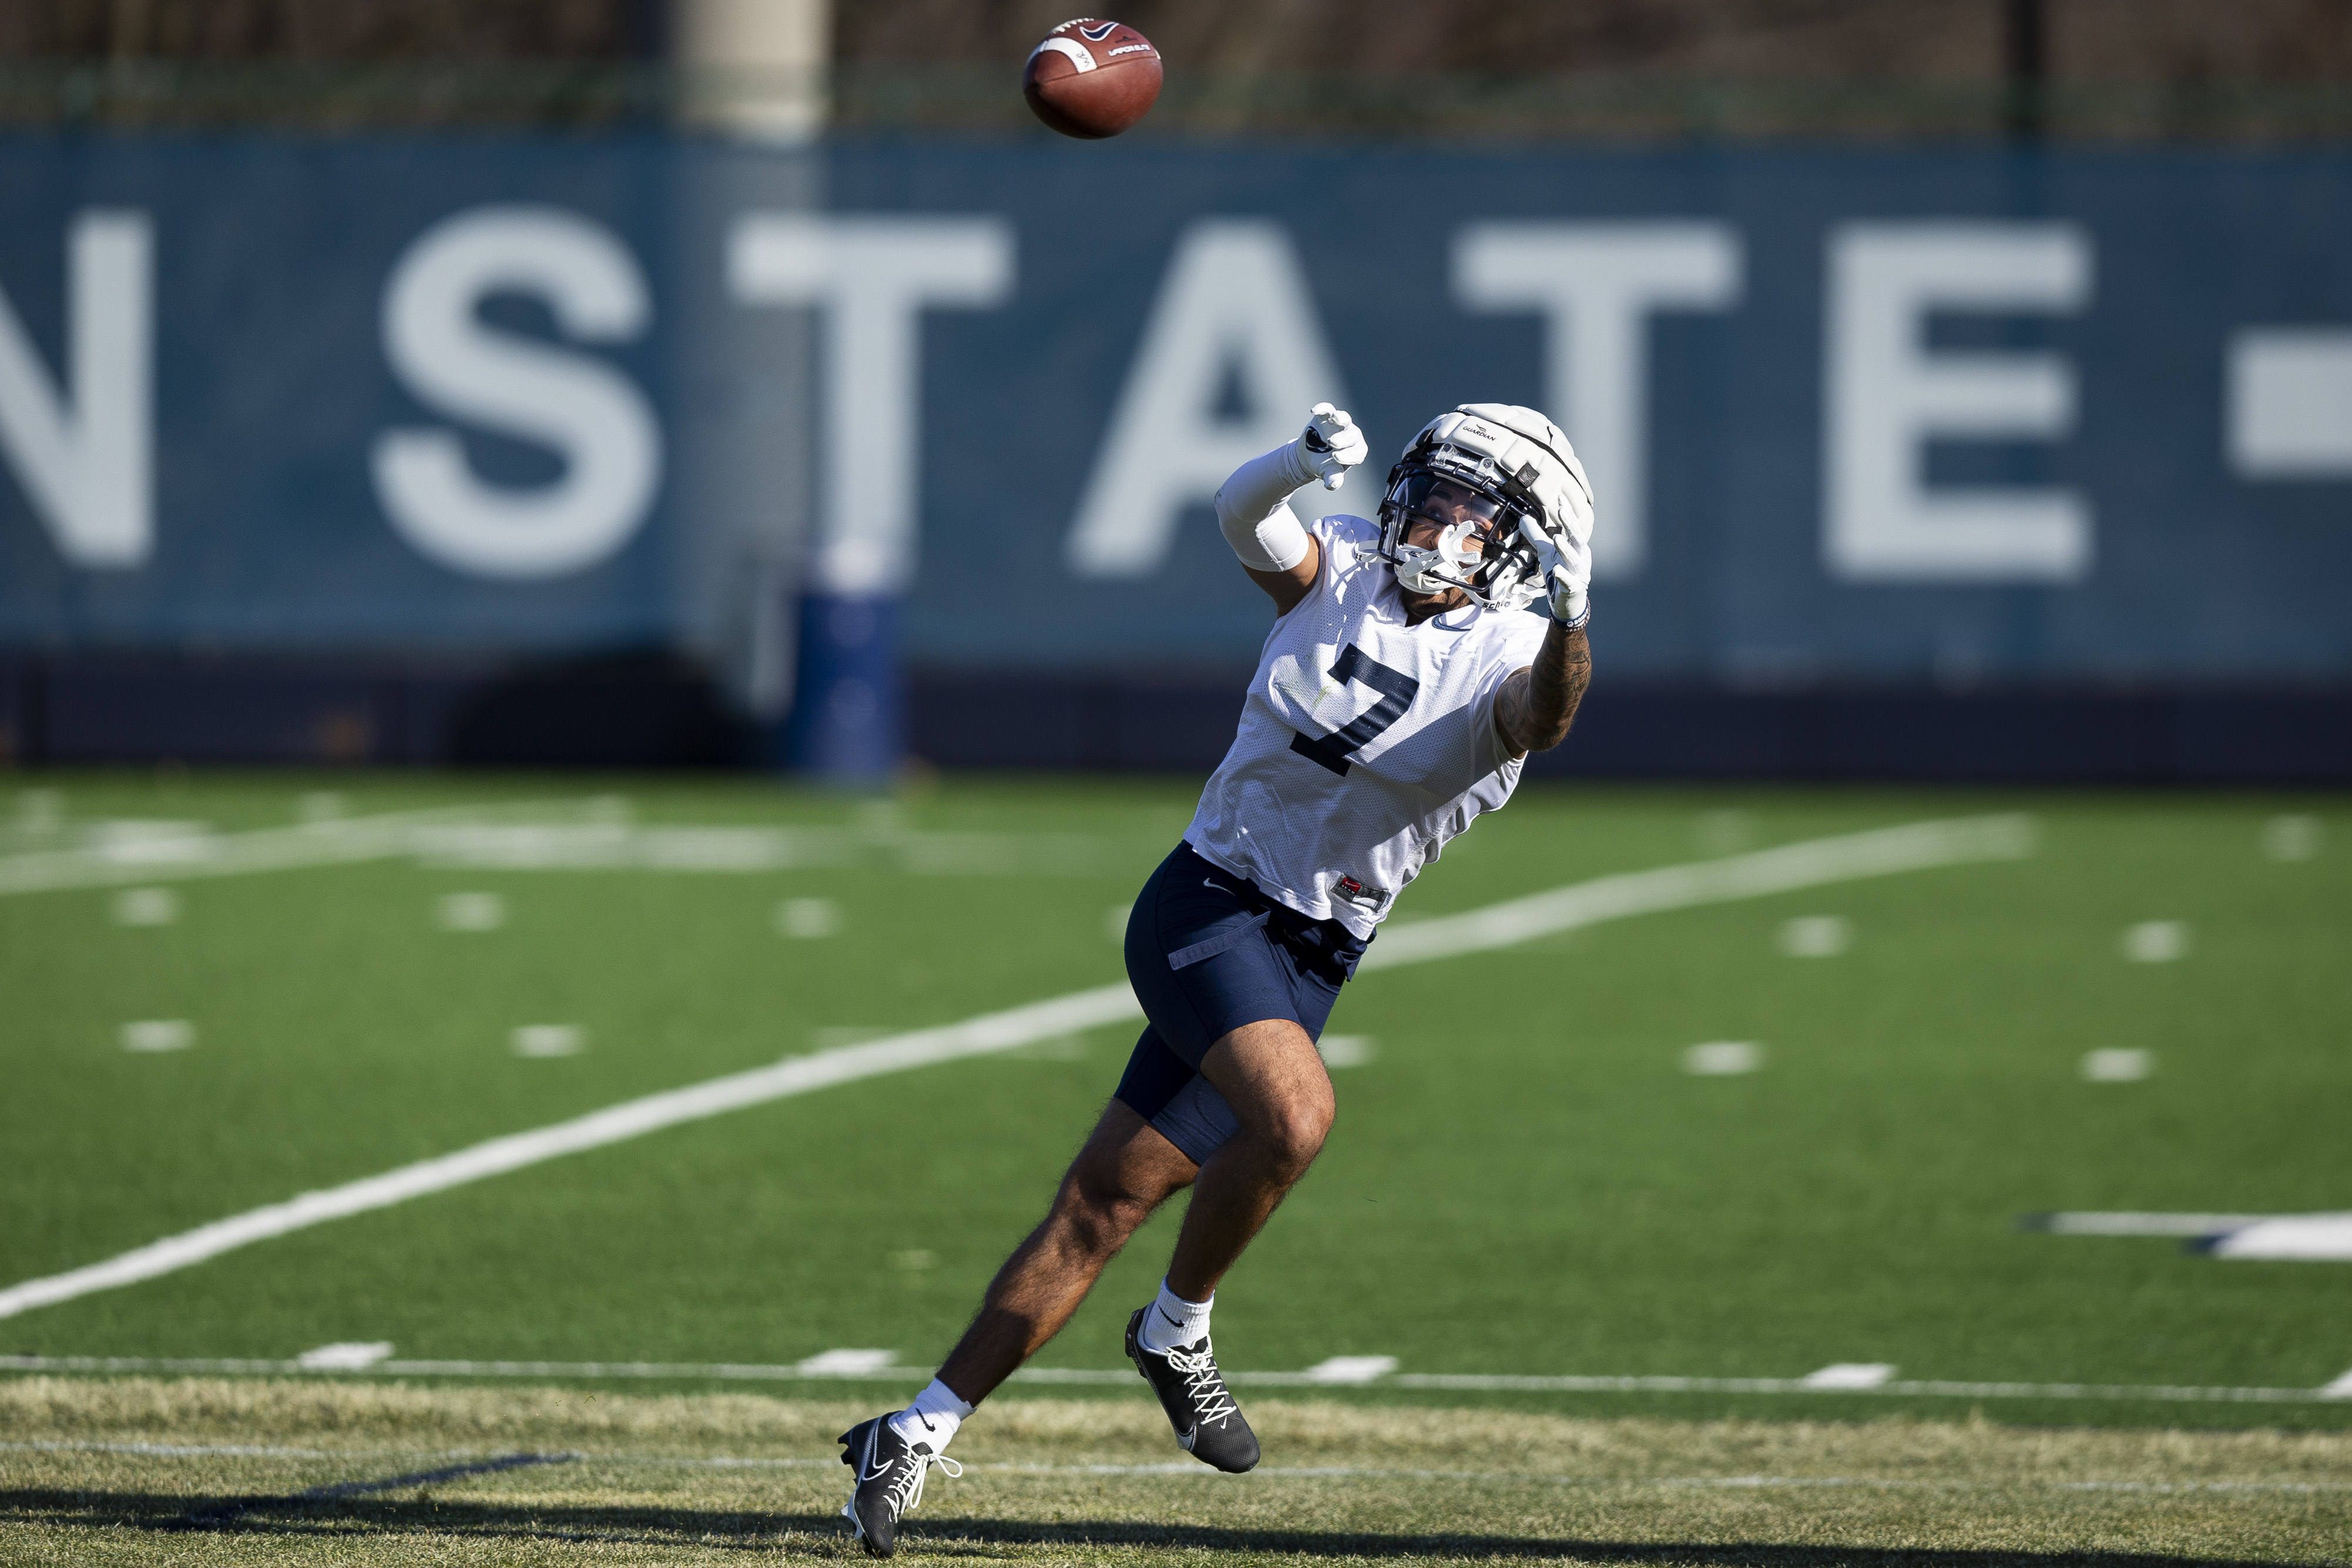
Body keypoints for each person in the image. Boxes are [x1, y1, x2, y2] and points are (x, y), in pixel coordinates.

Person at [837, 401, 1596, 1555]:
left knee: (1104, 1205)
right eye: (1431, 496)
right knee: (1294, 1119)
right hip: (1207, 900)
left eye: (1467, 513)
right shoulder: (1334, 570)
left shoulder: (1515, 654)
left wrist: (1574, 615)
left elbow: (1541, 719)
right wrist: (1293, 462)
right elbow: (1242, 516)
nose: (1437, 524)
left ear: (1516, 546)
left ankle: (915, 1431)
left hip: (1314, 952)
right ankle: (1177, 1330)